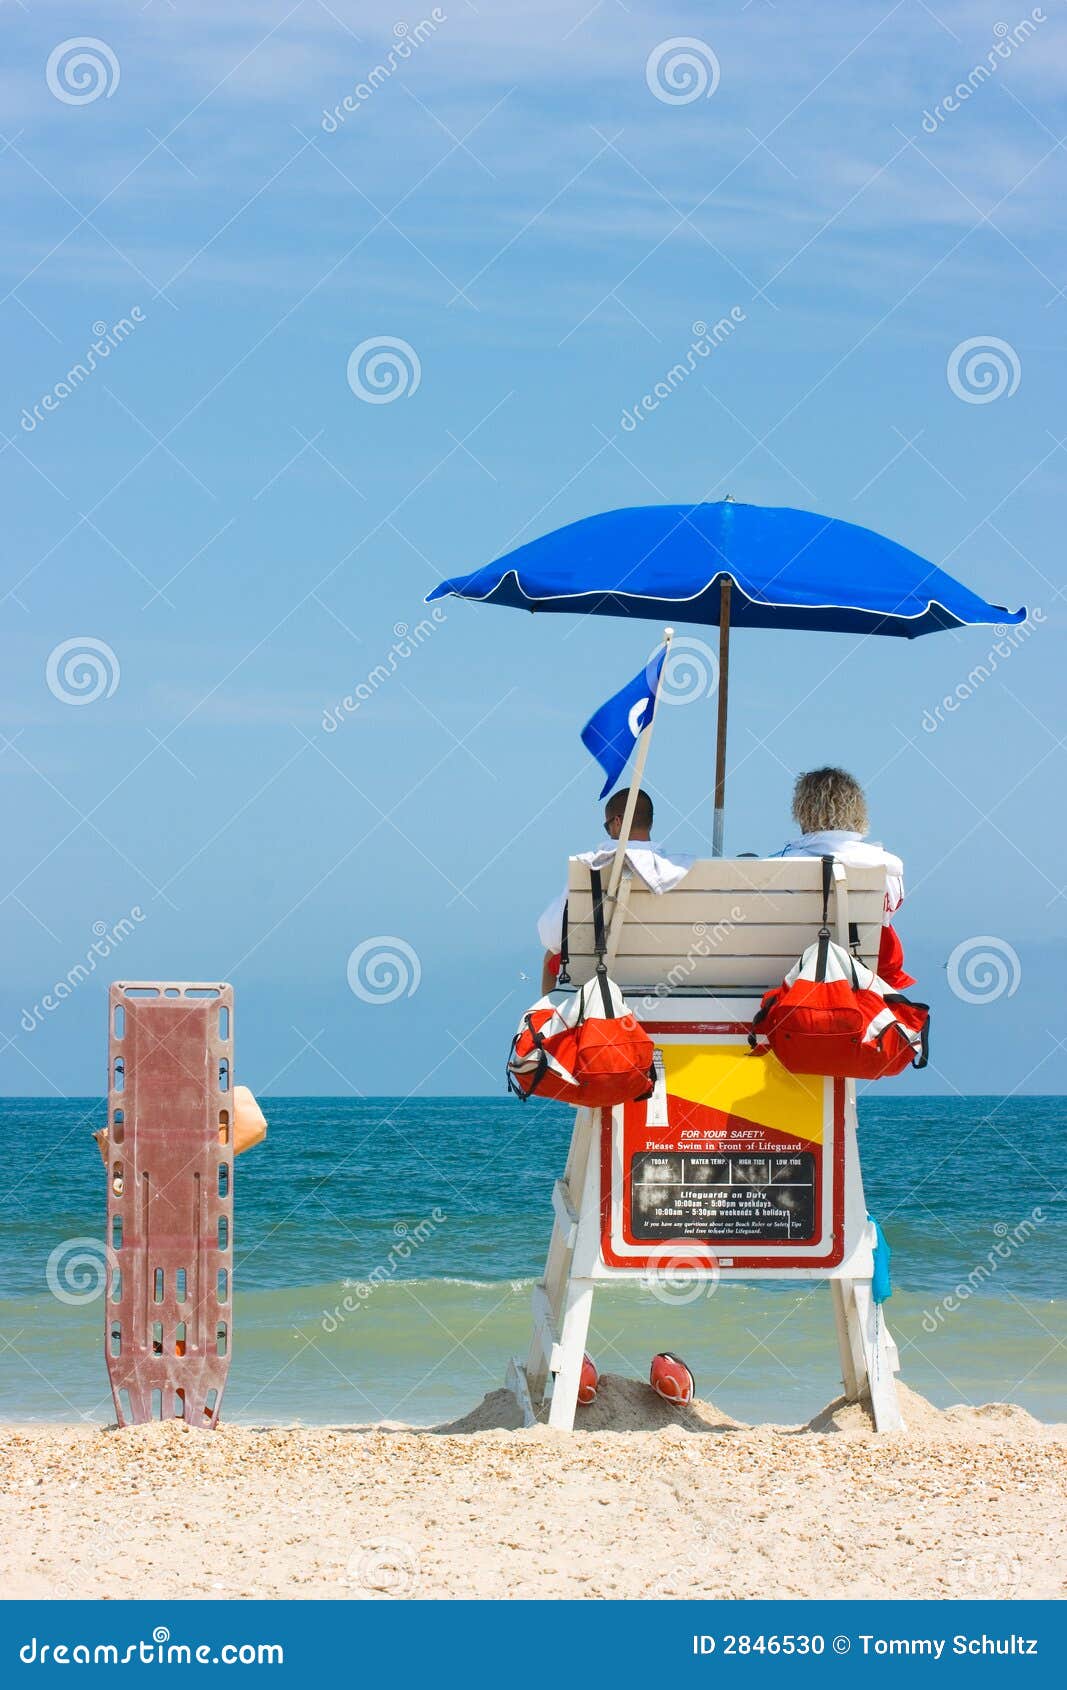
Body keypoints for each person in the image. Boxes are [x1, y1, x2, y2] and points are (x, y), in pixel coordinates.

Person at [536, 788, 694, 994]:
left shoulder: (592, 866)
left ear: (617, 822)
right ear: (651, 823)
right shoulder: (681, 869)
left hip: (600, 985)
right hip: (675, 978)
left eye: (607, 825)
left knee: (551, 953)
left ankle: (549, 1022)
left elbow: (553, 937)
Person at [775, 767, 913, 987]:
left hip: (791, 980)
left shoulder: (780, 865)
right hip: (863, 983)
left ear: (801, 811)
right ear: (857, 811)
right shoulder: (886, 867)